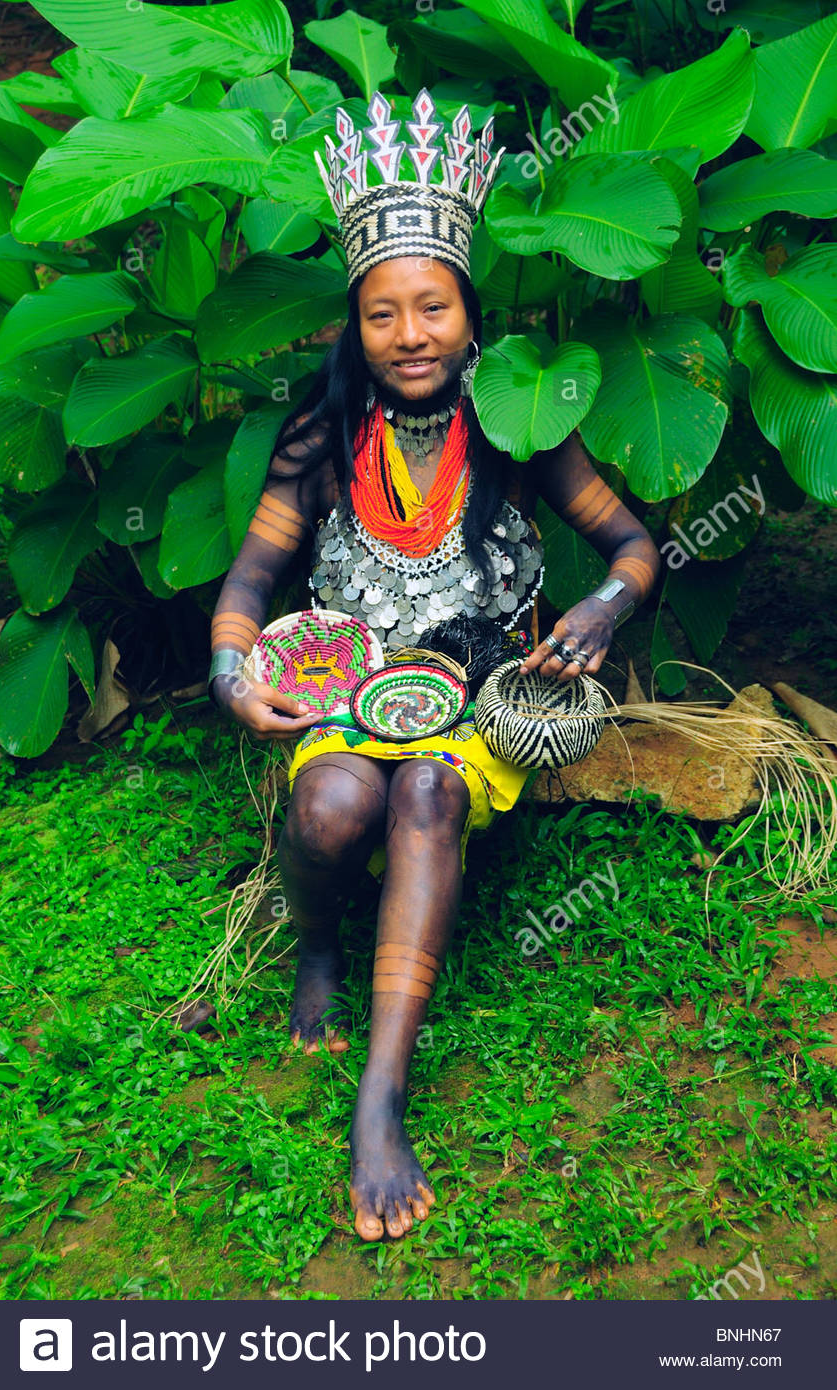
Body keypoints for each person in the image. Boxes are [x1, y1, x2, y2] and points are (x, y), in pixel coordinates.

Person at [209, 91, 661, 1242]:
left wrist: (604, 610)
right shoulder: (319, 441)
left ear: (467, 316)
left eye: (431, 308)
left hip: (470, 711)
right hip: (350, 702)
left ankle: (380, 1093)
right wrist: (233, 677)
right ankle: (316, 943)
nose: (408, 333)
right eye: (380, 314)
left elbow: (632, 549)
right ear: (352, 326)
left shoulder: (513, 427)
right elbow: (247, 594)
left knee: (422, 790)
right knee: (326, 804)